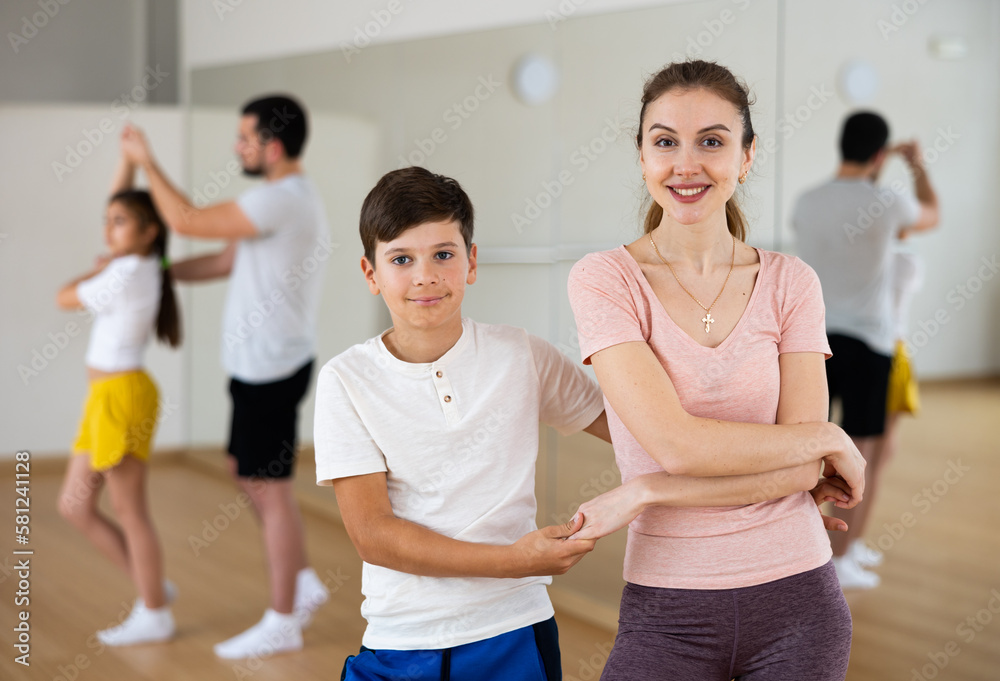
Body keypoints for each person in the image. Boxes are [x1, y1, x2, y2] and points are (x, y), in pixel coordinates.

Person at [313, 166, 852, 681]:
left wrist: (770, 501)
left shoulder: (521, 355)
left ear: (472, 263)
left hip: (515, 632)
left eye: (443, 254)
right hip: (401, 639)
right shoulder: (345, 381)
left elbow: (655, 438)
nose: (425, 275)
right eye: (401, 259)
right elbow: (374, 536)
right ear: (370, 272)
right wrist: (511, 561)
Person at [566, 60, 866, 680]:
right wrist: (830, 438)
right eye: (665, 141)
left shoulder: (791, 283)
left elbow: (801, 465)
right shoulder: (606, 280)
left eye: (712, 141)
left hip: (800, 601)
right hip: (665, 605)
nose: (686, 164)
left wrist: (646, 490)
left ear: (746, 157)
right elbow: (675, 444)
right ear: (642, 155)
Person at [119, 94, 332, 658]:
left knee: (272, 487)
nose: (237, 147)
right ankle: (303, 581)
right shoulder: (275, 204)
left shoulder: (279, 200)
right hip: (256, 367)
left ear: (273, 145)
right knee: (246, 470)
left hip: (272, 370)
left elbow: (186, 220)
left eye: (244, 138)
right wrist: (155, 269)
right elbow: (222, 261)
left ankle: (284, 618)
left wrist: (145, 161)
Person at [793, 113, 939, 588]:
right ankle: (843, 556)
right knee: (864, 454)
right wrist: (916, 166)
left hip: (814, 342)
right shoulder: (887, 201)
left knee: (804, 452)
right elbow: (932, 214)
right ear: (880, 154)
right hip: (871, 342)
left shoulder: (807, 201)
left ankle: (809, 549)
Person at [55, 151, 181, 646]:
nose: (109, 229)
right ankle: (154, 590)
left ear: (149, 231)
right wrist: (128, 163)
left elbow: (63, 297)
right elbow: (119, 203)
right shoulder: (135, 262)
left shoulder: (126, 272)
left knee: (131, 511)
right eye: (107, 221)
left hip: (121, 396)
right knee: (73, 505)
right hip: (105, 397)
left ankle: (154, 610)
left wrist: (93, 271)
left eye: (121, 222)